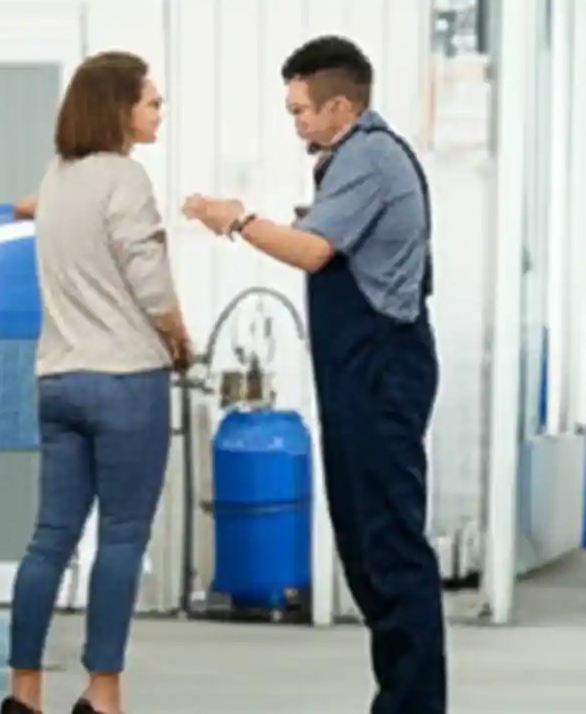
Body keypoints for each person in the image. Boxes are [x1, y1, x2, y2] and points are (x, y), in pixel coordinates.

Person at [182, 35, 447, 714]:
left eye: (302, 110)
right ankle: (401, 698)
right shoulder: (348, 160)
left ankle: (413, 705)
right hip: (357, 372)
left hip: (382, 369)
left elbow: (311, 250)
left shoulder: (368, 156)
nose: (295, 121)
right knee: (363, 542)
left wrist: (237, 218)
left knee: (389, 545)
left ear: (340, 105)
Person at [1, 50, 192, 714]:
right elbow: (147, 274)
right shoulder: (125, 178)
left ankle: (23, 691)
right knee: (120, 536)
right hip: (124, 380)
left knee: (49, 537)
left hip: (58, 379)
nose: (159, 112)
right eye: (151, 102)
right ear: (119, 109)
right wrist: (177, 334)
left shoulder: (57, 177)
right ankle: (103, 691)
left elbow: (34, 212)